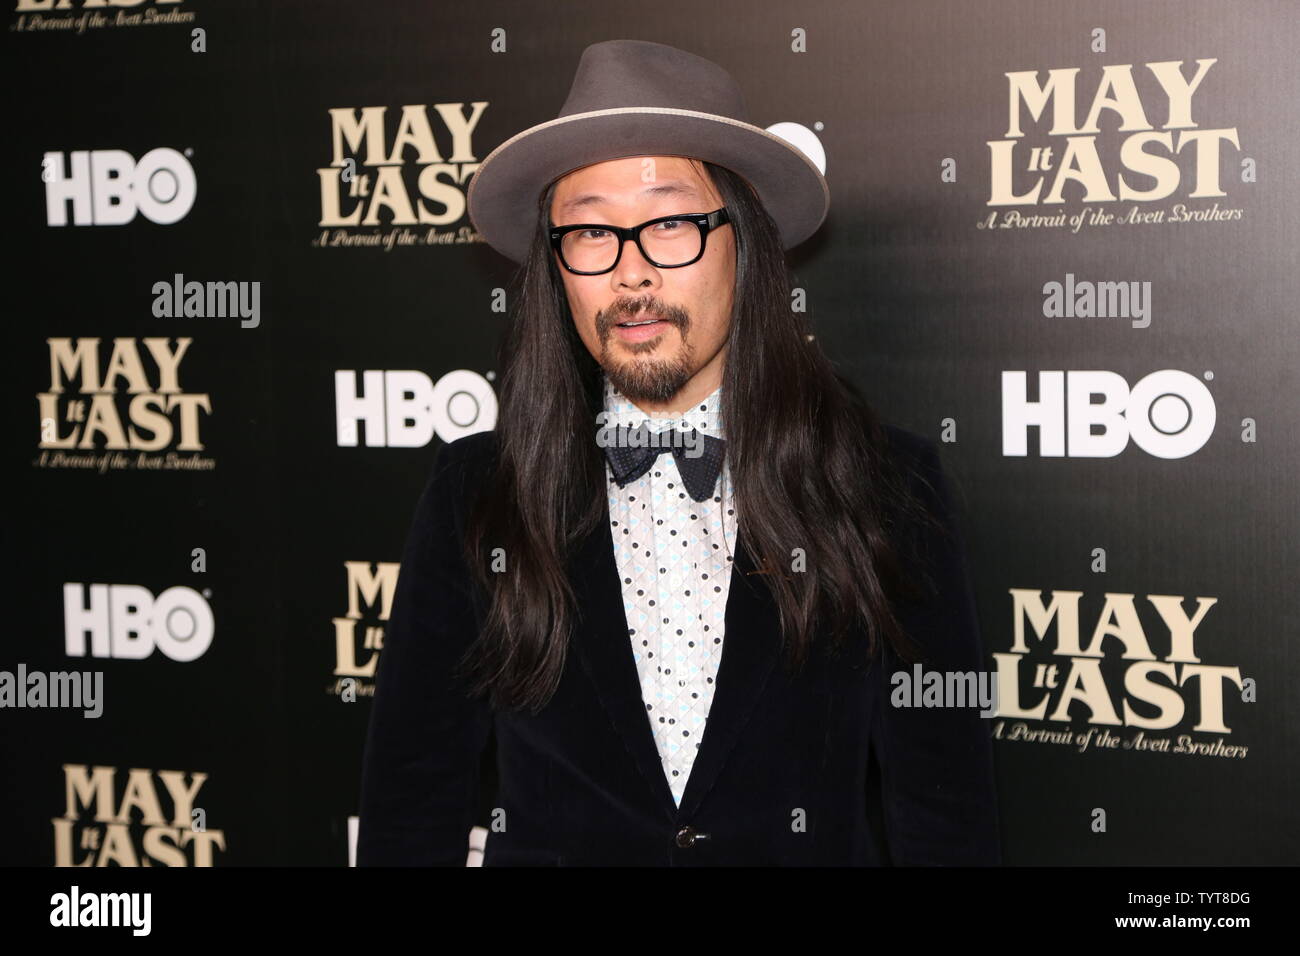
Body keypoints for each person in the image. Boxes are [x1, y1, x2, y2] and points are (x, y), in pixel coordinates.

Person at [357, 38, 1000, 866]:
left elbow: (946, 811)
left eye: (669, 222)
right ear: (556, 266)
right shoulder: (477, 490)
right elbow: (412, 798)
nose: (631, 274)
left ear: (747, 241)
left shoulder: (884, 486)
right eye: (589, 231)